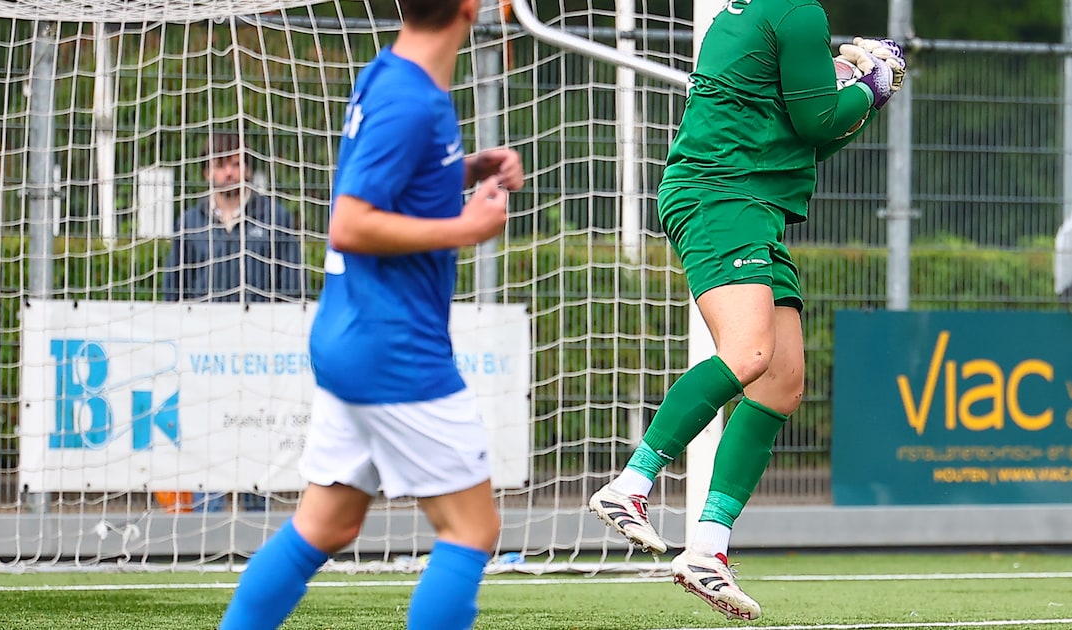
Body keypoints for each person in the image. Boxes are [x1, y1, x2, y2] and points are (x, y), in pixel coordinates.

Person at [588, 3, 906, 621]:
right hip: (721, 195)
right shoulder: (796, 12)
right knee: (750, 352)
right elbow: (818, 121)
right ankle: (630, 485)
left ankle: (706, 550)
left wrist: (855, 90)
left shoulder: (778, 13)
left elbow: (801, 139)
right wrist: (867, 88)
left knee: (782, 382)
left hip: (753, 202)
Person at [217, 0, 523, 628]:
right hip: (395, 350)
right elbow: (351, 223)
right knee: (472, 529)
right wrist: (466, 228)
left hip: (351, 339)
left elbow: (390, 176)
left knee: (328, 523)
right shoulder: (412, 101)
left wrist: (464, 171)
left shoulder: (390, 73)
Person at [161, 131, 304, 303]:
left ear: (248, 170)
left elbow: (293, 286)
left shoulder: (275, 217)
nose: (229, 172)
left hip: (260, 325)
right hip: (204, 325)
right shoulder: (189, 223)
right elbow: (173, 289)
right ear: (207, 173)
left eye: (236, 164)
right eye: (221, 165)